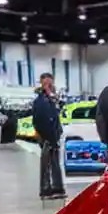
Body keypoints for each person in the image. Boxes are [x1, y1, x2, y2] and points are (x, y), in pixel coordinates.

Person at [31, 72, 65, 200]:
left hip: (53, 136)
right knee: (46, 164)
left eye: (50, 83)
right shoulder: (40, 101)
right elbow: (39, 121)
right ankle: (45, 189)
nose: (49, 86)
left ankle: (57, 188)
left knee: (55, 163)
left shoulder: (51, 99)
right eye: (46, 83)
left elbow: (56, 115)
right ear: (42, 84)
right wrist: (47, 138)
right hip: (47, 137)